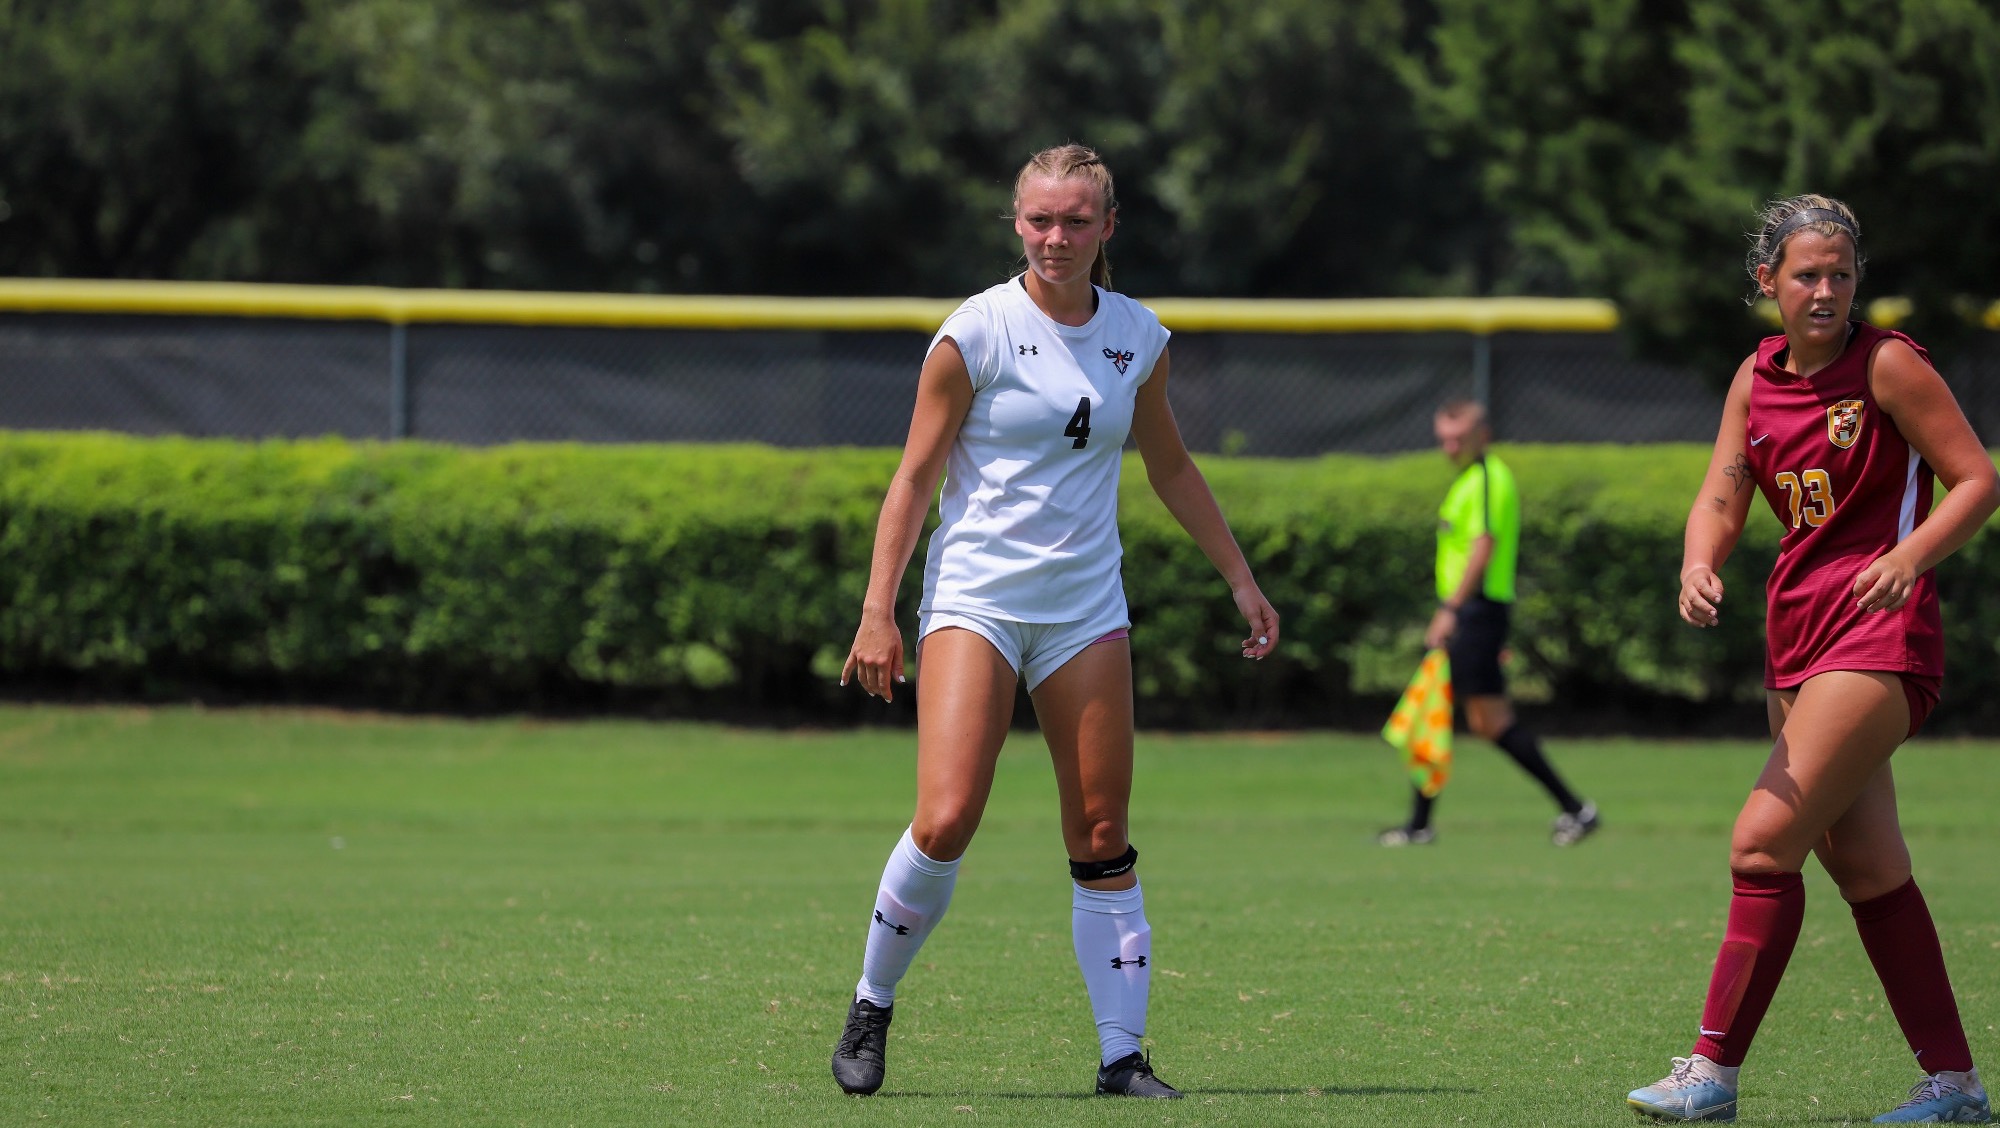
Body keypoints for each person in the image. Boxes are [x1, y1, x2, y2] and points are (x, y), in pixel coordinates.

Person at [828, 143, 1281, 1101]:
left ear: (1108, 227)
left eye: (1077, 220)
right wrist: (879, 612)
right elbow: (912, 478)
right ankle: (872, 1000)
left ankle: (1123, 1058)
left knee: (1103, 831)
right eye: (1038, 219)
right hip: (978, 601)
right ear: (1016, 223)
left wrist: (1241, 580)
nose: (1055, 238)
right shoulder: (974, 332)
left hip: (1085, 610)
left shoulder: (1137, 336)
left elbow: (1170, 467)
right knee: (947, 817)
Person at [1627, 195, 1998, 1123]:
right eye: (1806, 274)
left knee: (1760, 841)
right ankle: (1954, 1086)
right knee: (1868, 870)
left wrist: (1910, 558)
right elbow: (1721, 493)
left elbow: (1978, 480)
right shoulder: (1755, 381)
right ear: (1769, 283)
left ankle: (1711, 1072)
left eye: (1840, 273)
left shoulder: (1890, 365)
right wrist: (1698, 561)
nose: (1826, 289)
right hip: (1796, 642)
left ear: (1856, 279)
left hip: (1879, 641)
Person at [1376, 399, 1600, 847]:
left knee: (1439, 711)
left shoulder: (1484, 479)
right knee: (1484, 722)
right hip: (1476, 613)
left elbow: (1483, 545)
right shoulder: (1470, 480)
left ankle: (1420, 825)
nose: (1450, 446)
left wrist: (1451, 610)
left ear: (1483, 434)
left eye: (1459, 437)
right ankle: (1575, 809)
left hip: (1474, 611)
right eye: (1444, 438)